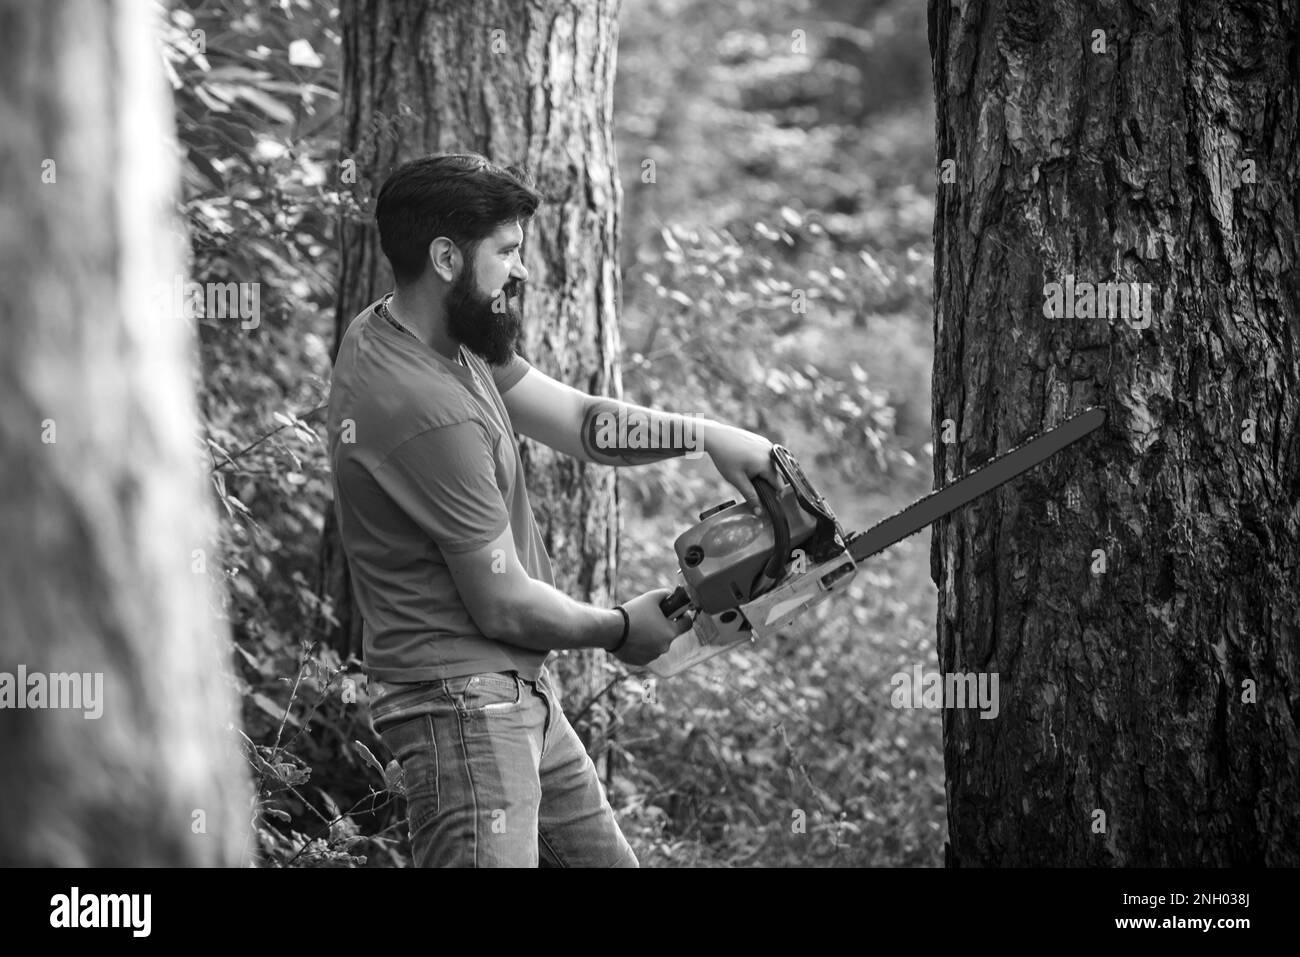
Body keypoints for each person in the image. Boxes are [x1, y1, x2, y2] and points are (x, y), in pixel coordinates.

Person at [327, 152, 781, 867]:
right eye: (506, 251)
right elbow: (504, 605)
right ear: (446, 256)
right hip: (463, 708)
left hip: (513, 694)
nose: (521, 269)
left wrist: (706, 436)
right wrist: (622, 627)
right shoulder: (423, 406)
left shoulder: (425, 335)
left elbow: (579, 422)